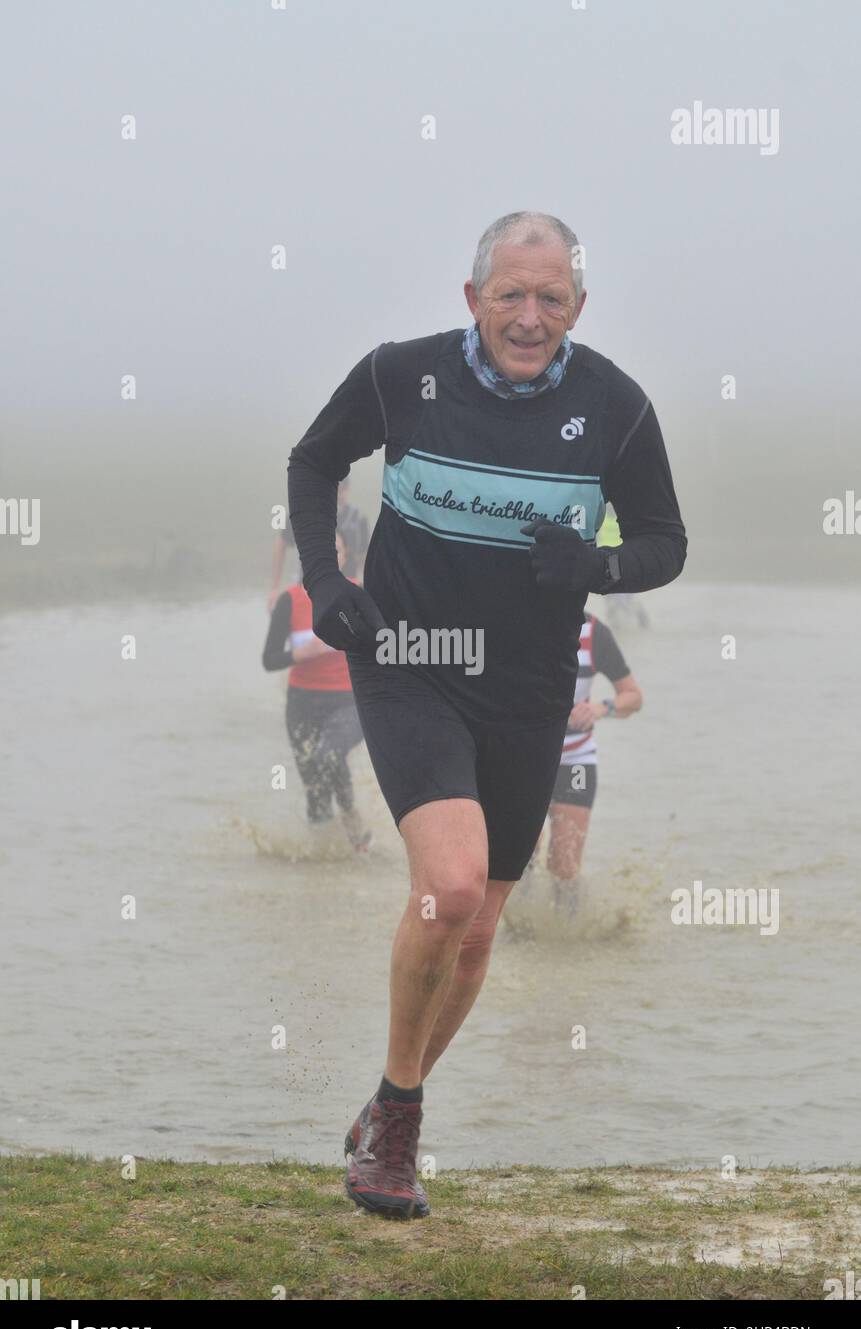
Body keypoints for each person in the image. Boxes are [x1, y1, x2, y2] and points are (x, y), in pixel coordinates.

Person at [287, 210, 687, 1219]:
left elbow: (664, 541)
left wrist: (595, 565)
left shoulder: (615, 406)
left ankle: (386, 1103)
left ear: (577, 308)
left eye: (550, 297)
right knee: (452, 885)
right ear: (472, 298)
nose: (528, 315)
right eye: (509, 292)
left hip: (528, 690)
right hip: (410, 661)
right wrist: (329, 582)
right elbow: (312, 459)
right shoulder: (401, 376)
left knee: (476, 931)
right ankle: (404, 1128)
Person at [262, 531, 371, 851]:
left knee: (330, 753)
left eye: (334, 550)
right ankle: (324, 861)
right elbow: (269, 659)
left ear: (345, 555)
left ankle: (351, 817)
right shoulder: (290, 600)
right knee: (316, 793)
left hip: (348, 701)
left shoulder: (359, 595)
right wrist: (300, 654)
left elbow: (384, 646)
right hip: (302, 704)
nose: (327, 557)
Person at [532, 610, 642, 919]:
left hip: (575, 760)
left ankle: (567, 936)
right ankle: (518, 934)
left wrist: (601, 707)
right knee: (521, 856)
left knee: (564, 867)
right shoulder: (516, 617)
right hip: (523, 760)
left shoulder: (594, 633)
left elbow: (633, 696)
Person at [268, 478, 368, 611]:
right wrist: (275, 587)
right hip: (308, 587)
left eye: (342, 487)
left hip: (346, 589)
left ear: (347, 488)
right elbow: (281, 544)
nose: (338, 491)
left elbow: (363, 556)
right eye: (334, 486)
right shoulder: (303, 513)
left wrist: (362, 588)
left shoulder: (358, 518)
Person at [597, 503, 649, 628]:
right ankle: (623, 619)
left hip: (611, 558)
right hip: (614, 556)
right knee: (615, 591)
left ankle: (628, 615)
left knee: (613, 591)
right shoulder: (618, 520)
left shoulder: (603, 521)